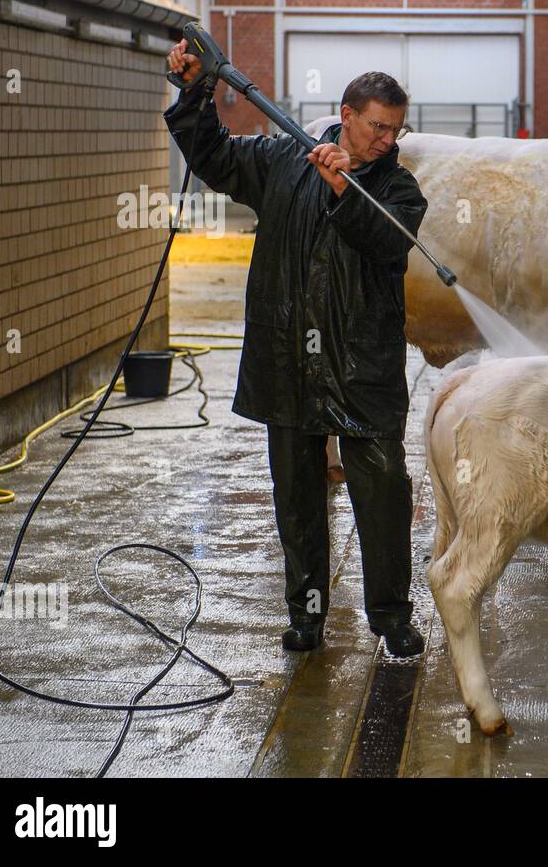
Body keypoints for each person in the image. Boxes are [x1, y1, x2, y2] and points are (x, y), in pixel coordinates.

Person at [164, 42, 428, 657]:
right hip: (289, 363)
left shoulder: (399, 186)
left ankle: (390, 616)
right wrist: (195, 91)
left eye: (396, 128)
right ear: (346, 114)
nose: (387, 139)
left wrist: (342, 190)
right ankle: (306, 615)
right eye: (377, 126)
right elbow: (213, 155)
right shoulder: (284, 160)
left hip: (363, 369)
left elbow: (388, 244)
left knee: (383, 494)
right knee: (299, 497)